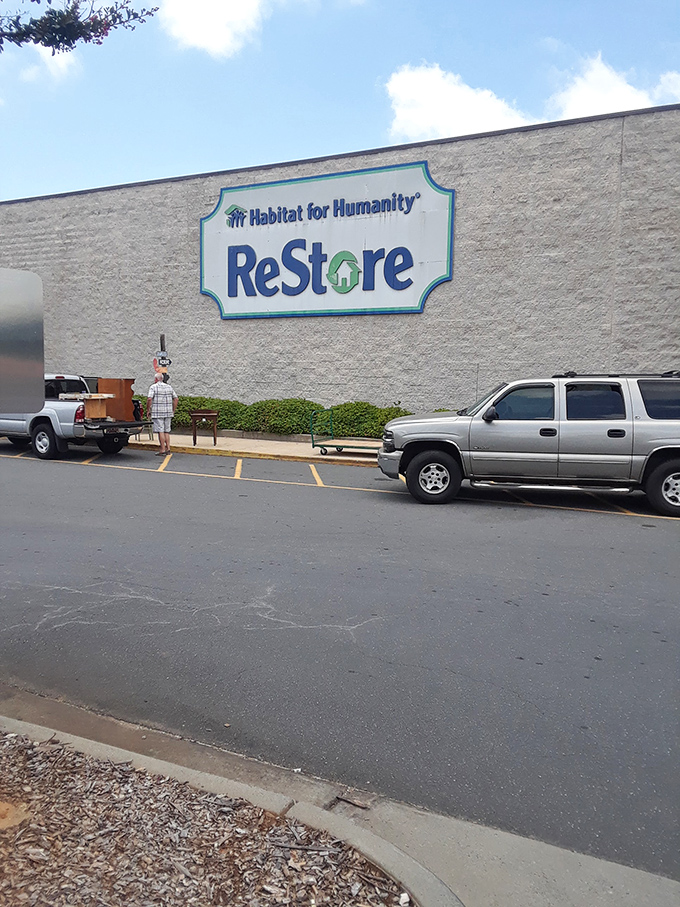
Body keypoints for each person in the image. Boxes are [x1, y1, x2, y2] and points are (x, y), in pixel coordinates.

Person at [147, 371, 178, 455]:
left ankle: (162, 449)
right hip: (168, 412)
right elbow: (176, 399)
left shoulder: (153, 387)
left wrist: (148, 410)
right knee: (166, 431)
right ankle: (168, 448)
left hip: (157, 412)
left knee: (160, 430)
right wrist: (173, 410)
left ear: (156, 379)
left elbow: (149, 399)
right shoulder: (169, 387)